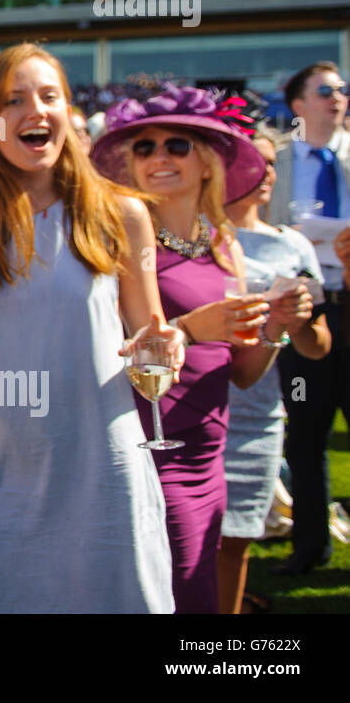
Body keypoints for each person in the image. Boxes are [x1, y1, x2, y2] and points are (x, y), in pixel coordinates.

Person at [0, 43, 180, 613]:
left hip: (99, 477)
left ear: (69, 112)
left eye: (50, 96)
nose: (35, 110)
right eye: (14, 100)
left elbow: (151, 354)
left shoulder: (122, 215)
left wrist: (163, 355)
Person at [92, 84, 276, 613]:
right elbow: (120, 349)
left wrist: (275, 328)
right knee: (169, 596)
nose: (159, 157)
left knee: (199, 591)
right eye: (144, 148)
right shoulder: (118, 238)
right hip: (154, 445)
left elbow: (242, 371)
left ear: (208, 162)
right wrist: (192, 328)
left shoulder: (223, 242)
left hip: (210, 449)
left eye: (176, 144)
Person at [219, 126, 330, 613]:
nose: (264, 172)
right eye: (251, 160)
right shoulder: (181, 237)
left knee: (235, 545)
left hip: (255, 418)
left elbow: (317, 347)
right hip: (185, 414)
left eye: (271, 163)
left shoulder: (294, 247)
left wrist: (297, 322)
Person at [267, 61, 350, 574]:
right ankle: (310, 547)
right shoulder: (276, 163)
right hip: (305, 309)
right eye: (325, 90)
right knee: (305, 433)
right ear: (298, 106)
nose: (337, 97)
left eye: (342, 89)